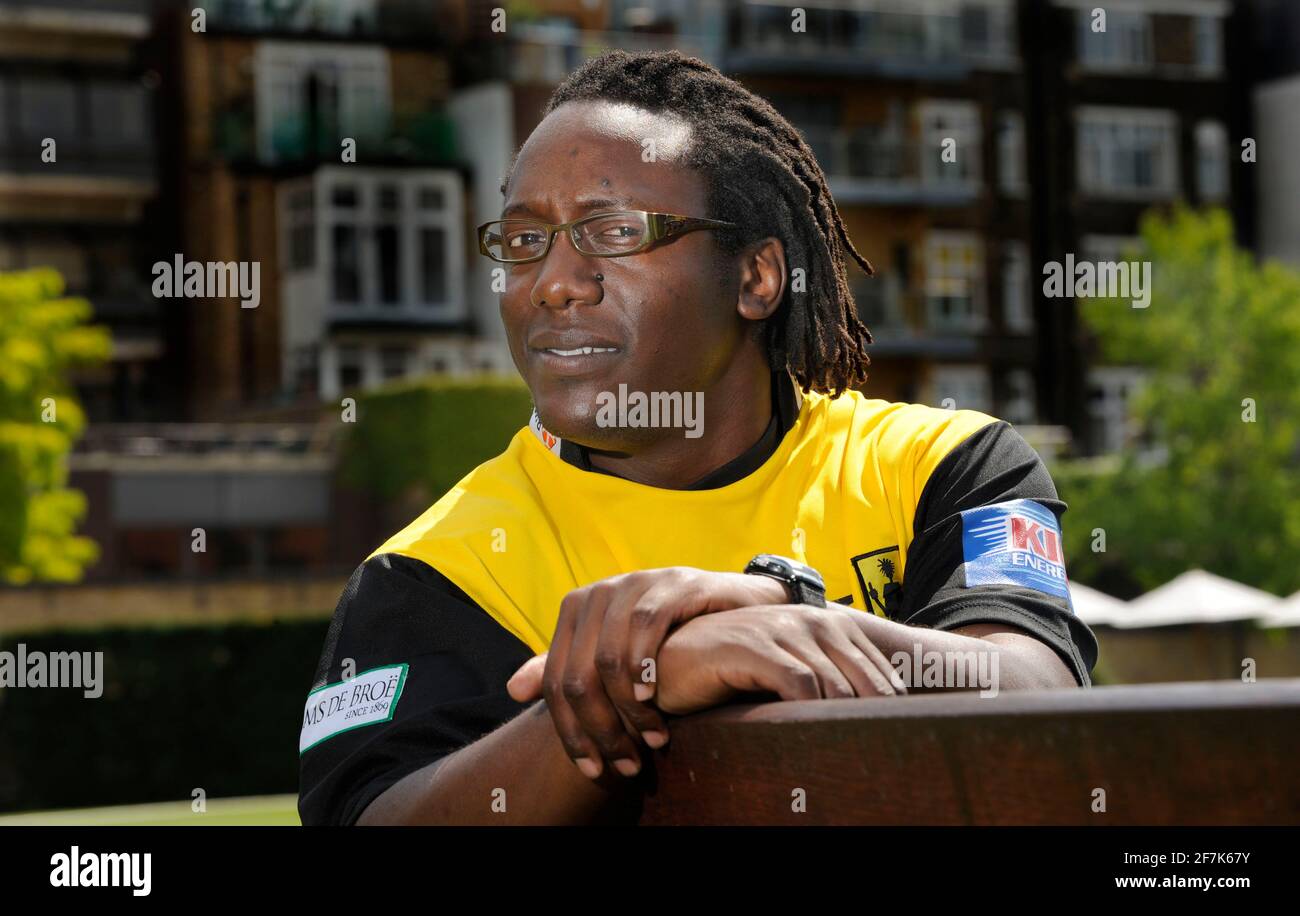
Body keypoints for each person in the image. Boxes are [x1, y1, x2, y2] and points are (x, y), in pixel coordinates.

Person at [297, 49, 1097, 826]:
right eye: (523, 240)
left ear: (756, 278)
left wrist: (797, 627)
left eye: (613, 233)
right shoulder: (440, 568)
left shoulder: (941, 468)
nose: (553, 283)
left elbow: (1039, 696)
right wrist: (641, 679)